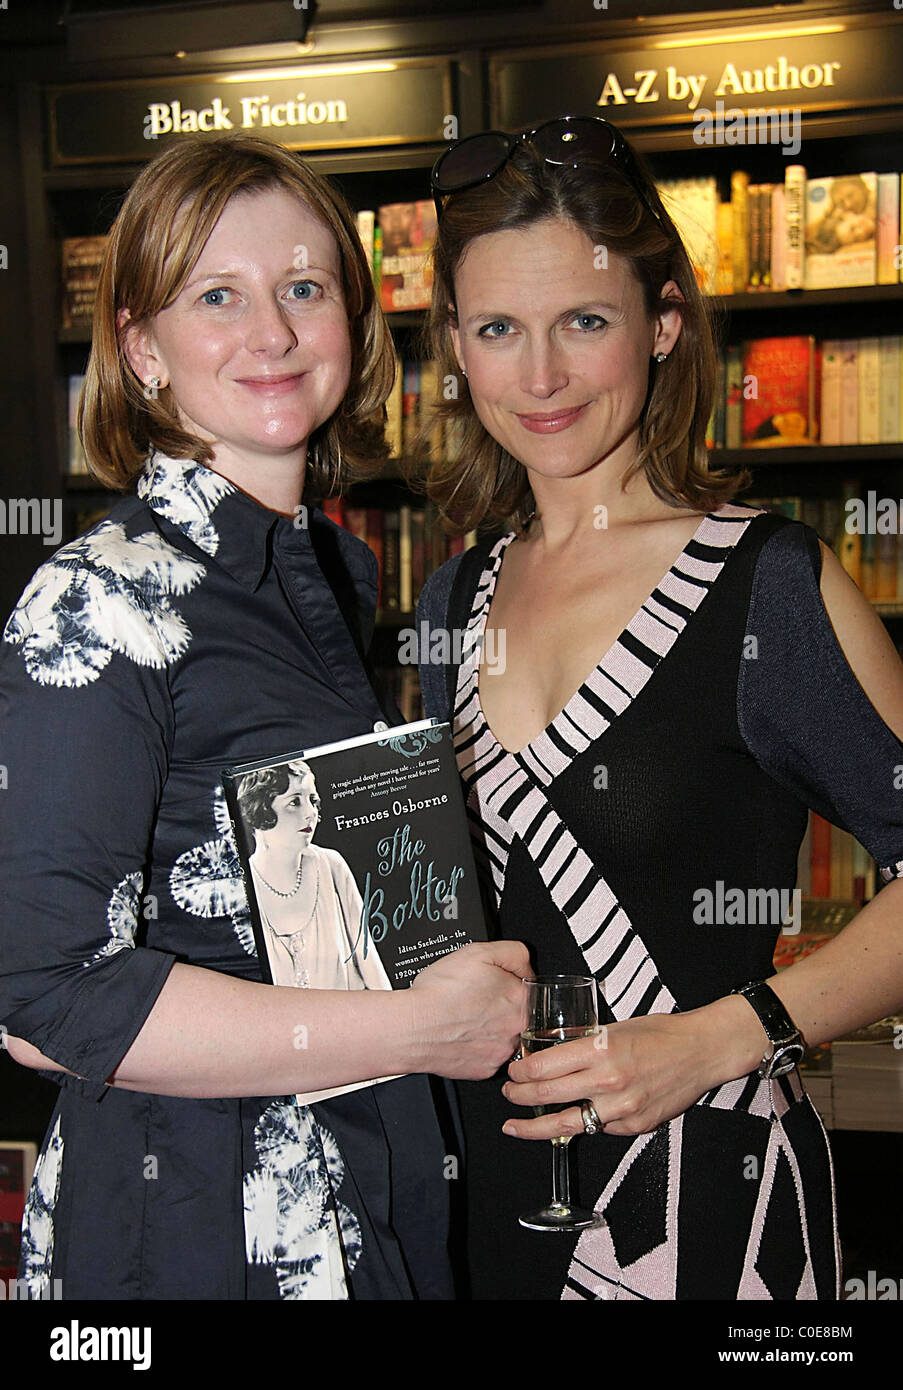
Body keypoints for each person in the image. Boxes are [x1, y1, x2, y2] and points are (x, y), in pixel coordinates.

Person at [0, 133, 528, 1302]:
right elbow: (42, 997)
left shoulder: (331, 573)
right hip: (197, 1226)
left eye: (304, 287)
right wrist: (415, 1032)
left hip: (368, 1189)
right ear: (140, 346)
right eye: (217, 297)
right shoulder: (105, 592)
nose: (274, 333)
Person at [415, 115, 903, 1301]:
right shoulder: (453, 592)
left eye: (585, 321)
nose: (540, 377)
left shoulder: (765, 584)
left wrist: (724, 1035)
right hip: (483, 1200)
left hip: (705, 1218)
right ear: (455, 346)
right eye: (498, 329)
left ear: (665, 323)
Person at [237, 760, 391, 993]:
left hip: (357, 1019)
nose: (310, 813)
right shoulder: (241, 886)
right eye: (294, 802)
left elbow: (368, 957)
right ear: (261, 810)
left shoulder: (331, 864)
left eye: (312, 800)